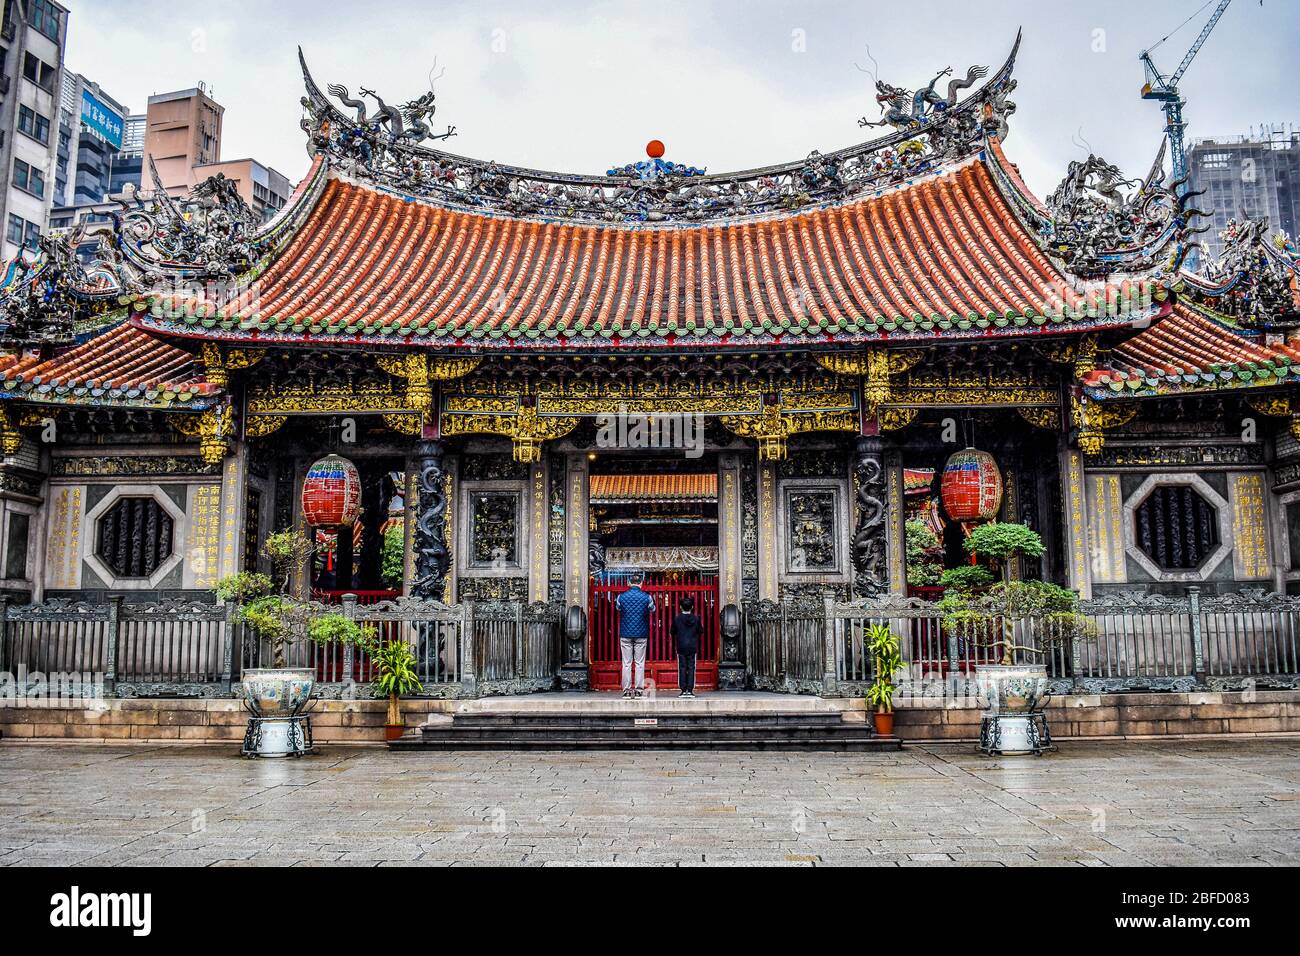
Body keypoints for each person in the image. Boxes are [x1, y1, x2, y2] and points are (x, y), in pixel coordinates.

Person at [615, 573, 655, 699]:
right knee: (639, 663)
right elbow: (652, 609)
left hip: (625, 633)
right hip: (641, 633)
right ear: (641, 583)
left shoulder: (621, 597)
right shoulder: (647, 597)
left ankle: (626, 690)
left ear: (628, 583)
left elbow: (618, 608)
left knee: (626, 663)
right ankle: (638, 690)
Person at [671, 595, 702, 698]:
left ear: (680, 607)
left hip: (681, 645)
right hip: (692, 645)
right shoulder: (696, 619)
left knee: (682, 667)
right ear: (692, 607)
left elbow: (672, 631)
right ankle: (690, 689)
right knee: (691, 667)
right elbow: (700, 631)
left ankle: (683, 690)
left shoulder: (677, 619)